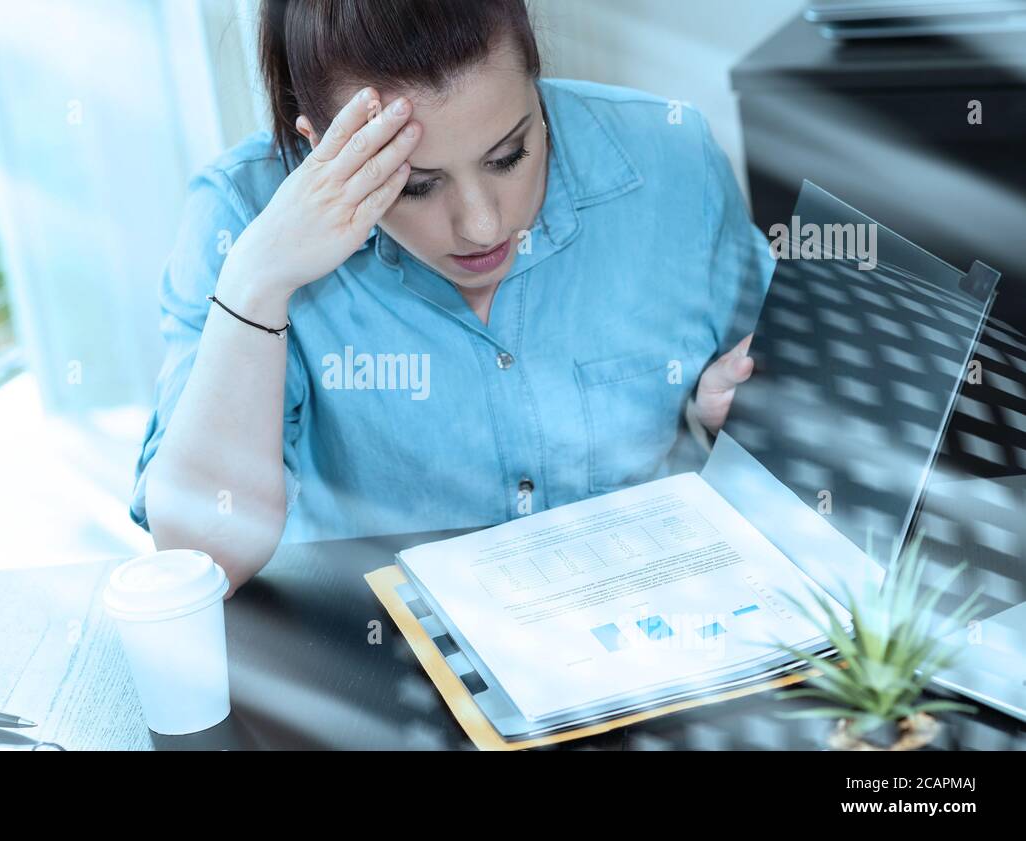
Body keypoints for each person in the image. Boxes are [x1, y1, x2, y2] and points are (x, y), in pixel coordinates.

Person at [131, 0, 773, 596]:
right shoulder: (238, 219)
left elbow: (805, 421)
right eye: (413, 186)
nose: (482, 226)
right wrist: (257, 283)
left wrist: (747, 415)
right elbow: (203, 558)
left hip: (664, 637)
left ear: (536, 83)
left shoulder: (671, 159)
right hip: (382, 675)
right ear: (316, 146)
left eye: (508, 156)